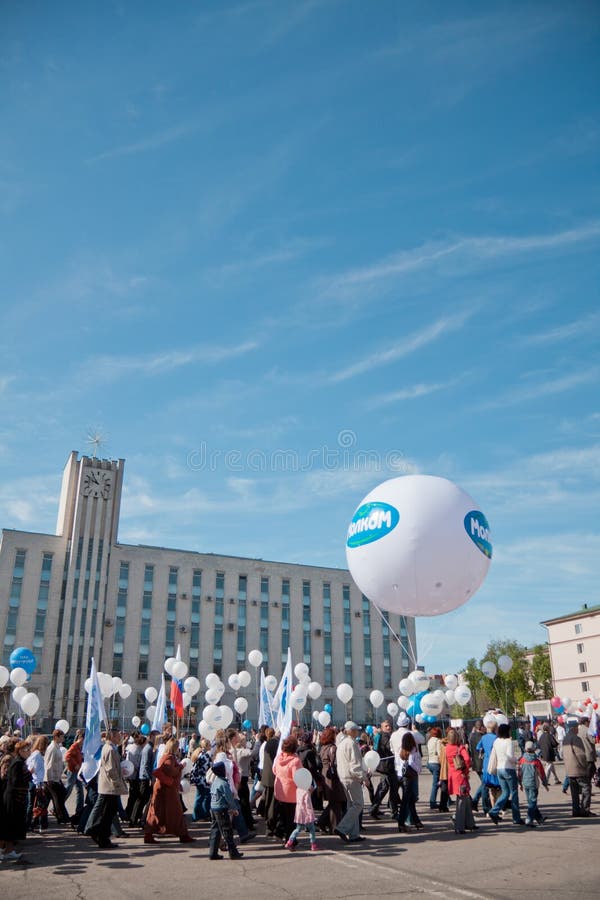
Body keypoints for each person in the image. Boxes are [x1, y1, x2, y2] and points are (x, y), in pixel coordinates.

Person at [144, 737, 194, 843]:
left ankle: (149, 834)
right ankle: (182, 834)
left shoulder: (167, 756)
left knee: (158, 812)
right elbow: (171, 772)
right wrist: (181, 767)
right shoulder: (169, 758)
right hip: (167, 789)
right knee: (175, 812)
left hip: (164, 788)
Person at [86, 728, 129, 849]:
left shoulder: (110, 748)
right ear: (113, 737)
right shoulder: (109, 749)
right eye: (118, 736)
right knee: (107, 814)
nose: (120, 738)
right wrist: (117, 784)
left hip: (109, 786)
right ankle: (101, 836)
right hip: (110, 787)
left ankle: (101, 835)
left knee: (108, 813)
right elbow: (111, 770)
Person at [1, 740, 32, 863]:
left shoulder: (21, 762)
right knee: (8, 825)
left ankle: (9, 851)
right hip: (13, 798)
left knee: (13, 827)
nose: (29, 752)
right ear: (20, 751)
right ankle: (3, 850)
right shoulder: (17, 763)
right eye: (26, 750)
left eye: (29, 749)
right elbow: (14, 782)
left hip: (17, 798)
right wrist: (27, 776)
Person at [335, 722, 366, 843]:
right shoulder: (352, 743)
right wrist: (363, 777)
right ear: (351, 731)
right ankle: (342, 828)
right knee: (358, 804)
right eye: (356, 730)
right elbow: (355, 765)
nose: (358, 732)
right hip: (352, 778)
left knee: (351, 805)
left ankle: (354, 834)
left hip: (343, 777)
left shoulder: (341, 743)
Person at [488, 723, 524, 826]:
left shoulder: (496, 741)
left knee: (505, 793)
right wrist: (517, 760)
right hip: (508, 768)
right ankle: (516, 818)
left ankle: (494, 811)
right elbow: (509, 756)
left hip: (499, 769)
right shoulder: (509, 742)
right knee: (514, 793)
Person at [208, 761, 243, 860]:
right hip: (221, 809)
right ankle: (233, 852)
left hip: (213, 807)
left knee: (215, 830)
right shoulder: (223, 783)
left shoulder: (215, 781)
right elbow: (229, 798)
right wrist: (234, 808)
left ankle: (212, 852)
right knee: (227, 831)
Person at [443, 728, 475, 834]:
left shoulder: (446, 748)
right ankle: (459, 826)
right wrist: (466, 770)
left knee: (464, 799)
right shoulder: (459, 748)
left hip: (453, 775)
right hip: (461, 776)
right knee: (462, 801)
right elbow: (467, 759)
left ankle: (470, 823)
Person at [272, 735, 303, 843]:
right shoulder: (295, 761)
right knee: (291, 818)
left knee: (283, 815)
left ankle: (279, 833)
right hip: (291, 792)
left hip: (280, 791)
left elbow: (274, 770)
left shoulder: (279, 758)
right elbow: (298, 777)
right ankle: (290, 840)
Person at [562, 718, 596, 817]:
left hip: (569, 769)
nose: (578, 729)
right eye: (577, 727)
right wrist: (585, 766)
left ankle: (575, 810)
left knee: (574, 792)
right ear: (574, 728)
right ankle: (585, 810)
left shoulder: (566, 739)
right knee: (586, 788)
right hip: (578, 769)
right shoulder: (575, 738)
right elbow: (580, 754)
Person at [316, 726, 346, 834]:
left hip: (325, 774)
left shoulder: (322, 747)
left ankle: (324, 823)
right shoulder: (333, 748)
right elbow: (335, 762)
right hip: (332, 776)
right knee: (335, 802)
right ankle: (333, 826)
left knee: (333, 802)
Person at [370, 718, 398, 818]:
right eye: (386, 726)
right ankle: (394, 812)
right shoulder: (385, 736)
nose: (389, 727)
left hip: (384, 766)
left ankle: (374, 809)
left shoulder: (382, 735)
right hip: (387, 767)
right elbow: (389, 748)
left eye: (389, 725)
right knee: (391, 788)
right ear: (382, 728)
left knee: (384, 788)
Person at [517, 741, 549, 827]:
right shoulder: (536, 761)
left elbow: (519, 773)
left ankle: (539, 818)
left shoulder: (522, 760)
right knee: (533, 802)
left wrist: (520, 783)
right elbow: (541, 773)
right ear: (534, 749)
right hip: (534, 784)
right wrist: (545, 784)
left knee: (531, 802)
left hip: (525, 783)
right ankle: (529, 819)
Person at [285, 777, 321, 851]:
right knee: (312, 829)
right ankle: (313, 844)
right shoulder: (306, 791)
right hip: (306, 814)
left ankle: (289, 842)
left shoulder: (298, 789)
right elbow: (308, 804)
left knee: (297, 829)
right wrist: (311, 813)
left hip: (299, 813)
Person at [397, 732, 423, 832]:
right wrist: (418, 770)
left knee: (410, 800)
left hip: (402, 776)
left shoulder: (402, 751)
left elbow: (398, 763)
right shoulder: (413, 750)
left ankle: (416, 820)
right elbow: (412, 762)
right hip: (410, 776)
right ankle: (401, 823)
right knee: (406, 801)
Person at [476, 721, 500, 816]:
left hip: (486, 763)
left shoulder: (483, 737)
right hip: (495, 762)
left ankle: (491, 808)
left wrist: (484, 751)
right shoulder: (496, 738)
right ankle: (497, 808)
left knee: (489, 787)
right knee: (498, 787)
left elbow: (478, 747)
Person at [26, 735, 49, 833]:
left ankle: (33, 824)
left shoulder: (35, 754)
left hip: (36, 783)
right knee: (34, 805)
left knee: (36, 805)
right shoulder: (37, 755)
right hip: (35, 783)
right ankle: (29, 824)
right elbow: (31, 769)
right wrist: (38, 784)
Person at [64, 728, 85, 824]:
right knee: (68, 789)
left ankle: (79, 810)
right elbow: (67, 756)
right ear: (81, 739)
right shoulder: (75, 745)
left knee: (80, 791)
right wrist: (75, 764)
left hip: (77, 772)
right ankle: (58, 806)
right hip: (72, 771)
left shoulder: (80, 747)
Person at [190, 739, 212, 822]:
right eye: (209, 745)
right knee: (204, 797)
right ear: (206, 746)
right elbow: (207, 767)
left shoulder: (199, 753)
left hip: (199, 779)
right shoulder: (205, 755)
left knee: (201, 797)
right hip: (203, 779)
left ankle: (200, 815)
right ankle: (199, 815)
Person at [426, 726, 443, 810]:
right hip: (436, 763)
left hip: (430, 762)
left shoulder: (430, 740)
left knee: (440, 782)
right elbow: (440, 753)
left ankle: (447, 800)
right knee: (436, 784)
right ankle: (432, 802)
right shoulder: (438, 741)